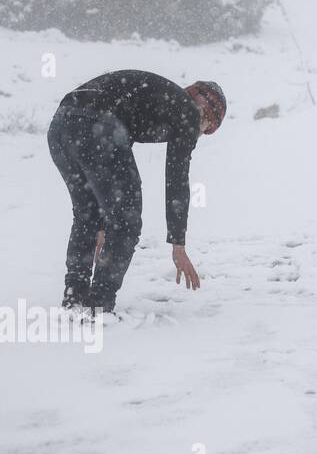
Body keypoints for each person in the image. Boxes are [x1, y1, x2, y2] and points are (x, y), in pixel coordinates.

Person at [47, 70, 227, 313]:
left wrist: (100, 226)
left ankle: (74, 297)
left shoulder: (162, 100)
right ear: (206, 113)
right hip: (97, 126)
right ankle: (98, 306)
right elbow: (176, 178)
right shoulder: (187, 112)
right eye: (207, 128)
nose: (201, 133)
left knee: (87, 215)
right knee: (126, 222)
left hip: (61, 125)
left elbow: (110, 164)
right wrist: (178, 243)